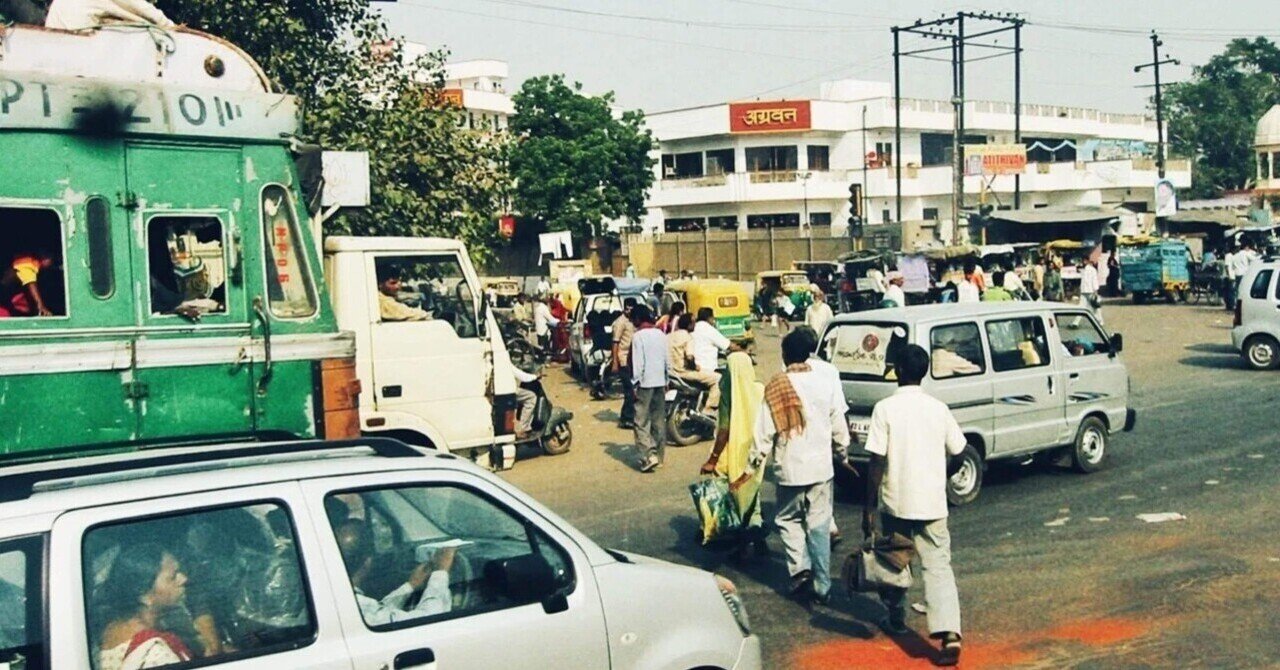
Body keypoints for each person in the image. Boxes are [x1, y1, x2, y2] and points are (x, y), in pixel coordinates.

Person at [862, 345, 966, 665]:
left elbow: (876, 461)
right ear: (923, 373)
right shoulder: (938, 408)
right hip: (932, 502)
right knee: (938, 566)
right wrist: (941, 475)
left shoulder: (885, 409)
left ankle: (896, 617)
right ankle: (949, 634)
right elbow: (959, 451)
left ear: (897, 371)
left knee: (895, 563)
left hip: (897, 503)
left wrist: (868, 507)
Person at [736, 330, 850, 605]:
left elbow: (763, 433)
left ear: (786, 356)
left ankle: (800, 569)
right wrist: (842, 452)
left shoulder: (777, 384)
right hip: (821, 468)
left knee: (788, 520)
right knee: (819, 525)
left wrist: (751, 466)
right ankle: (822, 585)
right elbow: (838, 422)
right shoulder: (823, 382)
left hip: (791, 468)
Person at [700, 351, 767, 560]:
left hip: (732, 452)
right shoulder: (760, 390)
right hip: (755, 451)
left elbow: (724, 430)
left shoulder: (728, 394)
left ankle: (740, 544)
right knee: (752, 494)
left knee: (732, 496)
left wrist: (712, 459)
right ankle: (757, 536)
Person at [334, 518, 453, 625]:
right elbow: (429, 620)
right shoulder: (357, 608)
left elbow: (379, 613)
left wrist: (410, 586)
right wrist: (441, 572)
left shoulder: (340, 599)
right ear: (367, 562)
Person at [94, 543, 195, 670]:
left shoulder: (107, 631)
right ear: (144, 596)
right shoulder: (156, 654)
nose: (184, 579)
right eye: (173, 577)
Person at [630, 304, 668, 472]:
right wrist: (667, 379)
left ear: (638, 319)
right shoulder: (661, 334)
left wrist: (635, 382)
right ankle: (659, 456)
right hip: (660, 381)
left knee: (641, 421)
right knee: (658, 419)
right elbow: (666, 359)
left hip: (645, 383)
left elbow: (638, 363)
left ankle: (648, 456)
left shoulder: (638, 337)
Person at [671, 313, 723, 411]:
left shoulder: (669, 337)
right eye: (694, 322)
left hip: (671, 373)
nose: (695, 325)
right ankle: (709, 409)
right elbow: (690, 357)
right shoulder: (688, 337)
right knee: (718, 378)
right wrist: (695, 367)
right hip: (684, 373)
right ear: (689, 325)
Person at [0, 250, 56, 317]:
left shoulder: (39, 269)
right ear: (45, 258)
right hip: (4, 300)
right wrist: (41, 306)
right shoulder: (26, 262)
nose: (52, 263)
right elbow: (31, 283)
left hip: (17, 305)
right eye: (52, 259)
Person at [612, 299, 638, 429]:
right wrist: (615, 362)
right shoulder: (620, 322)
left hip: (634, 359)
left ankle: (629, 416)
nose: (629, 311)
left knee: (633, 390)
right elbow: (615, 343)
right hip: (623, 359)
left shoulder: (634, 321)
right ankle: (626, 418)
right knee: (629, 390)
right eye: (627, 308)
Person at [691, 307, 734, 385]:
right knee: (727, 378)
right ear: (709, 318)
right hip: (707, 369)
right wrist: (744, 351)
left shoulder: (694, 328)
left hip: (693, 368)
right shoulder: (708, 329)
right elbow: (729, 345)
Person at [512, 366, 540, 440]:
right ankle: (523, 428)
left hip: (495, 392)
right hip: (508, 391)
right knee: (531, 396)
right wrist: (535, 376)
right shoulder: (503, 361)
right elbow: (522, 376)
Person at [1079, 255, 1102, 324]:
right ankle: (1075, 323)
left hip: (1090, 290)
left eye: (1083, 261)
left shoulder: (1092, 270)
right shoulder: (1083, 270)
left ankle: (1100, 320)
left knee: (1094, 306)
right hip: (1084, 291)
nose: (1082, 262)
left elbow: (1094, 280)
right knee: (1080, 307)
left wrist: (1096, 291)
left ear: (1086, 261)